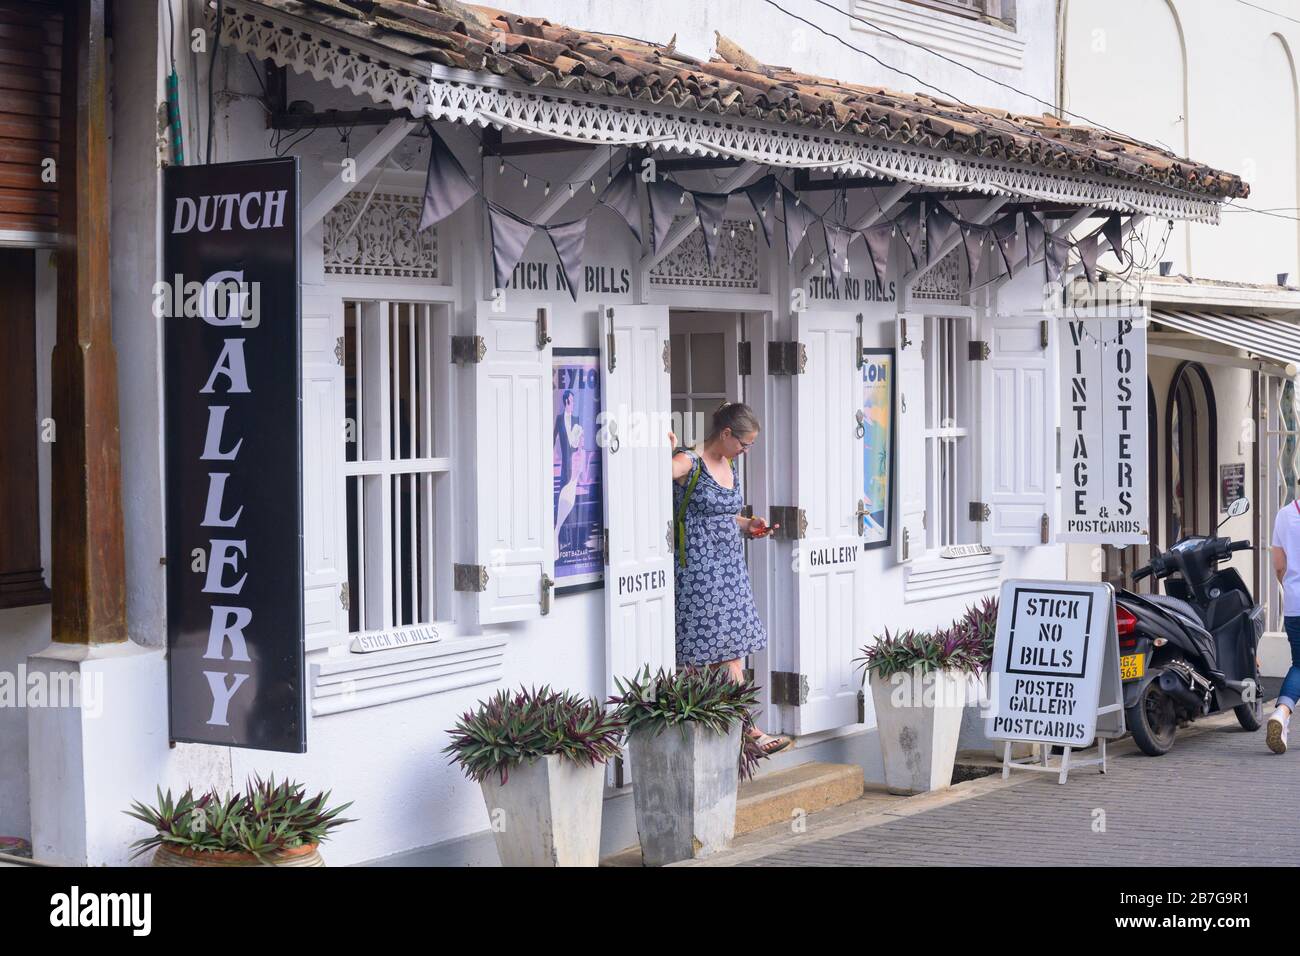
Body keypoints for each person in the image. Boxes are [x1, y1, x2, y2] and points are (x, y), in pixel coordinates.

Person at [669, 401, 792, 757]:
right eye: (744, 443)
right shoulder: (690, 462)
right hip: (699, 571)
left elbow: (723, 517)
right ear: (725, 434)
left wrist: (748, 525)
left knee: (730, 654)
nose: (746, 450)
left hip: (730, 570)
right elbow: (645, 476)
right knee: (713, 658)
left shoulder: (729, 466)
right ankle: (744, 731)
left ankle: (730, 731)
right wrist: (665, 447)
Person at [1267, 498, 1300, 753]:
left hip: (1294, 604)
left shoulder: (1285, 515)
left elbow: (1279, 566)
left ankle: (1281, 713)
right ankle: (1282, 713)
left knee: (1299, 664)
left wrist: (1289, 588)